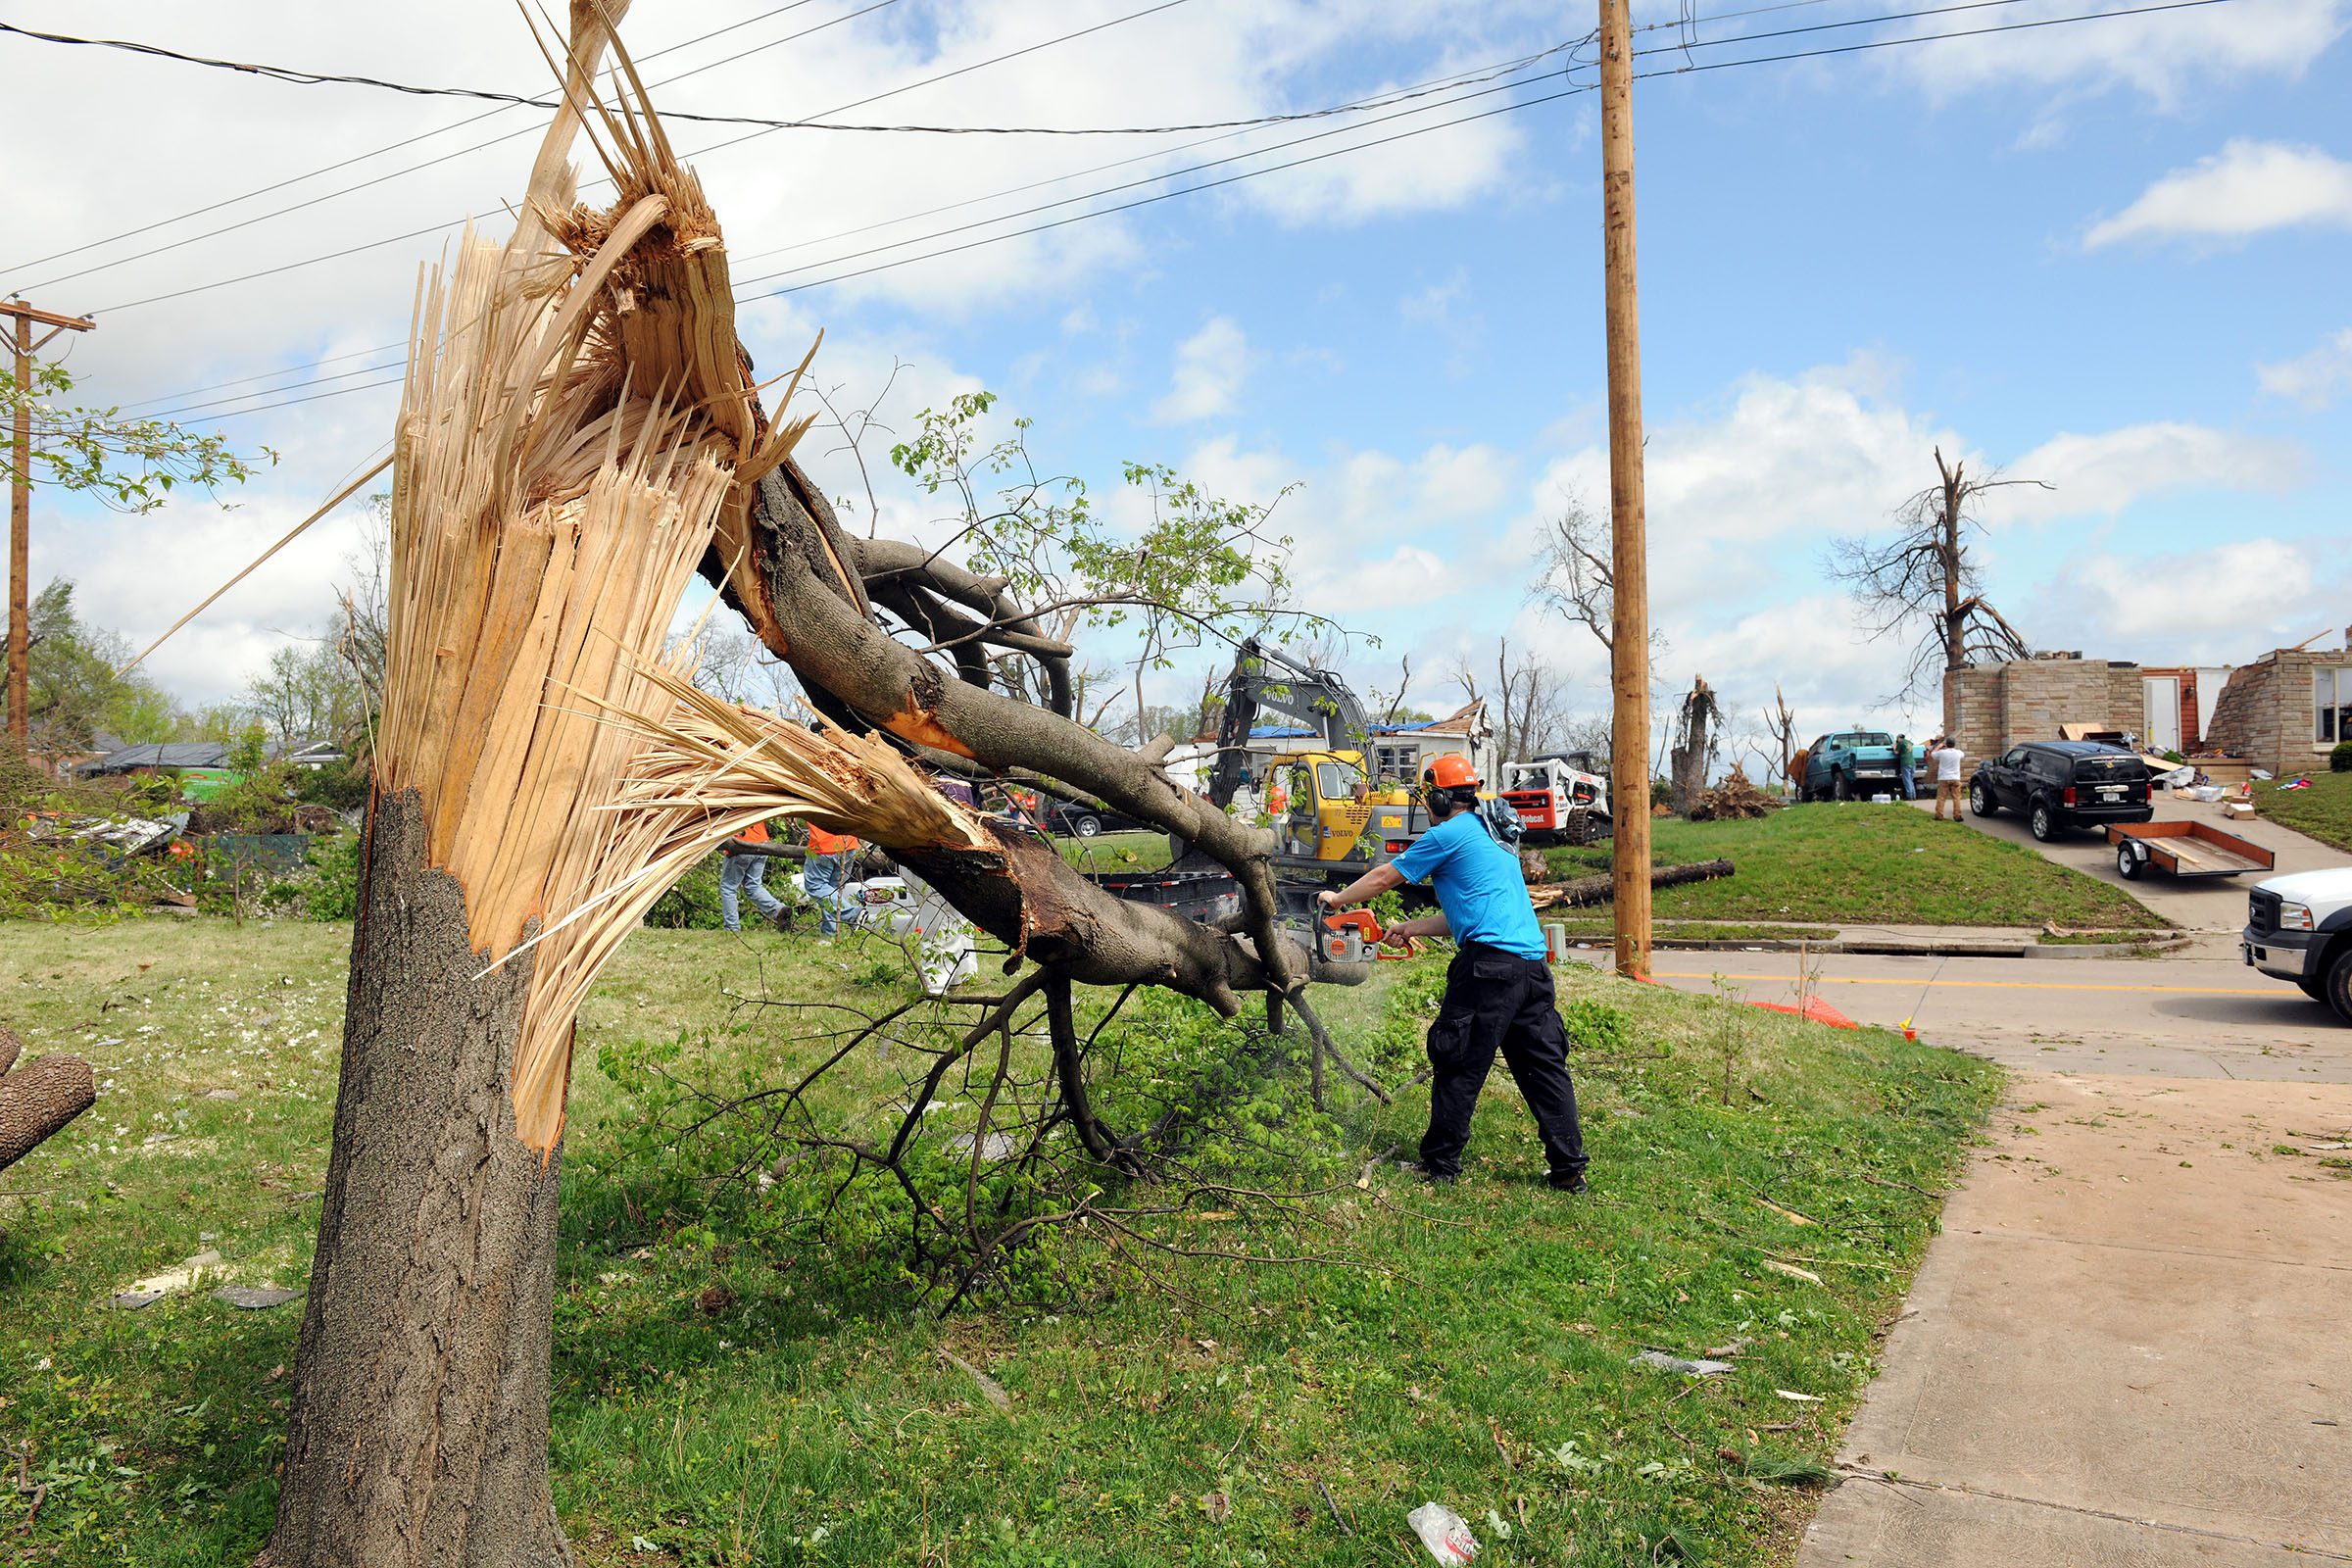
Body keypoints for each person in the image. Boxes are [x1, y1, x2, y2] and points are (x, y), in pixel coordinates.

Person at [1315, 753, 1589, 1193]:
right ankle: (1569, 1170)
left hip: (1487, 972)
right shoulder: (1491, 833)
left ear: (1440, 798)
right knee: (1544, 1070)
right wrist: (1409, 927)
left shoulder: (1449, 833)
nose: (1426, 807)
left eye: (1428, 799)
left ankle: (1440, 1164)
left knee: (1458, 1061)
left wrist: (1337, 899)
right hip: (1531, 970)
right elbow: (1468, 914)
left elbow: (1385, 876)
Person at [718, 820, 787, 933]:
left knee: (728, 888)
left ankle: (732, 928)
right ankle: (778, 910)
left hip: (740, 845)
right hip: (761, 843)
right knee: (753, 886)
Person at [804, 823, 860, 939]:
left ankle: (852, 914)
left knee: (816, 886)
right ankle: (829, 934)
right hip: (849, 844)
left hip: (823, 846)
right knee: (831, 891)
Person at [1931, 734, 1966, 820]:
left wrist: (1938, 746)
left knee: (1941, 797)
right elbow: (1963, 755)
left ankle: (1939, 815)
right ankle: (1957, 815)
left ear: (1946, 744)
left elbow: (1932, 754)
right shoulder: (1958, 753)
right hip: (1955, 777)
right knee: (1956, 797)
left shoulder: (1942, 753)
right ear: (1954, 744)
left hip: (1943, 778)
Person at [1895, 734, 1916, 801]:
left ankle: (1909, 796)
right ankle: (1913, 796)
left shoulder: (1901, 743)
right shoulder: (1909, 742)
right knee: (1911, 780)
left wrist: (1893, 747)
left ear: (1899, 738)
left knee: (1907, 780)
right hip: (1912, 762)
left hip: (1905, 763)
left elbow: (1896, 752)